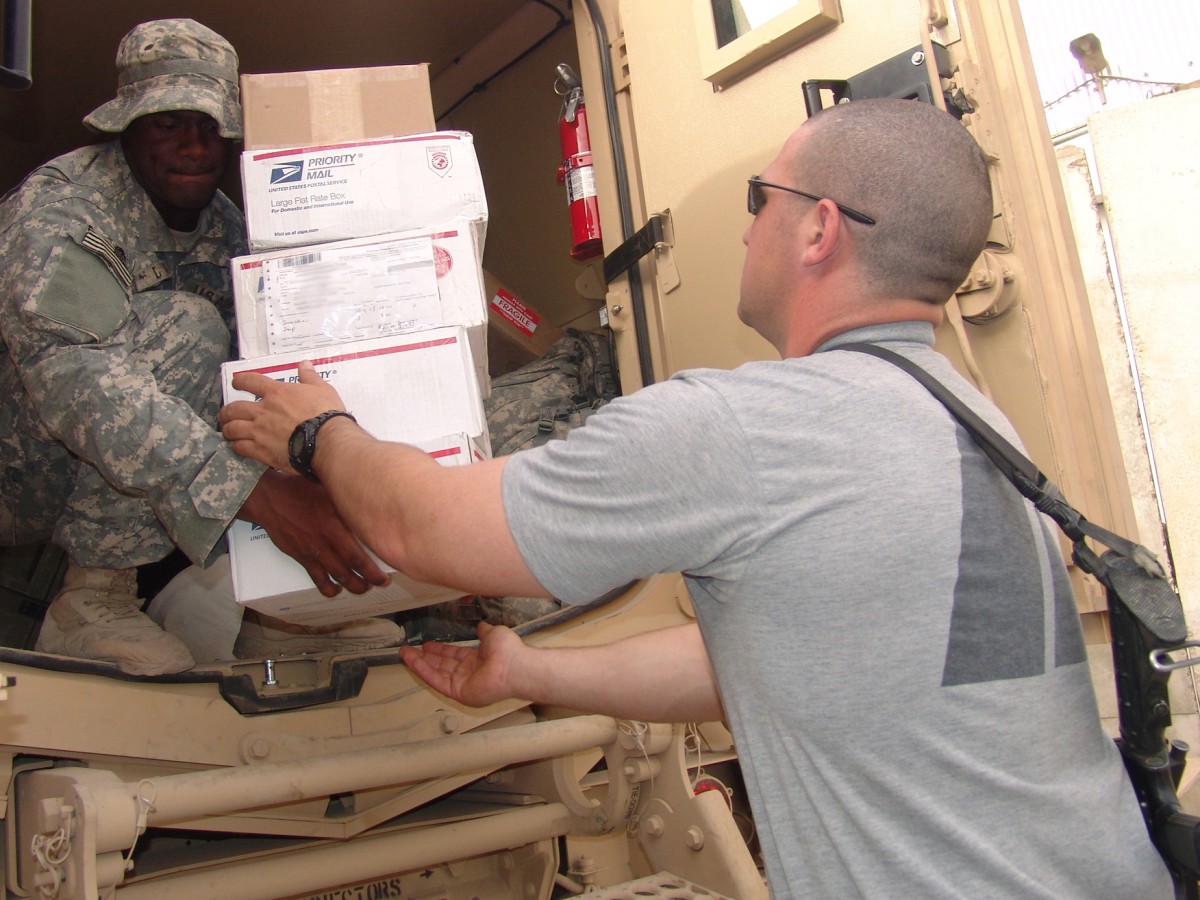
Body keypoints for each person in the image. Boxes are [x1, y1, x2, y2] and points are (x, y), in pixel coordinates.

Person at [218, 99, 1173, 898]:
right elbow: (787, 658)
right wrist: (531, 674)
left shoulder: (748, 428)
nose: (750, 223)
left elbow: (421, 528)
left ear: (819, 229)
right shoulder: (972, 417)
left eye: (765, 199)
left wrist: (319, 431)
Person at [0, 18, 401, 677]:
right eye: (167, 123)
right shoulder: (62, 209)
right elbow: (76, 382)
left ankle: (275, 610)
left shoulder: (227, 225)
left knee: (282, 362)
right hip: (28, 467)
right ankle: (90, 601)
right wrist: (260, 497)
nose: (193, 146)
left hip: (133, 468)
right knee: (189, 330)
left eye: (211, 126)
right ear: (127, 126)